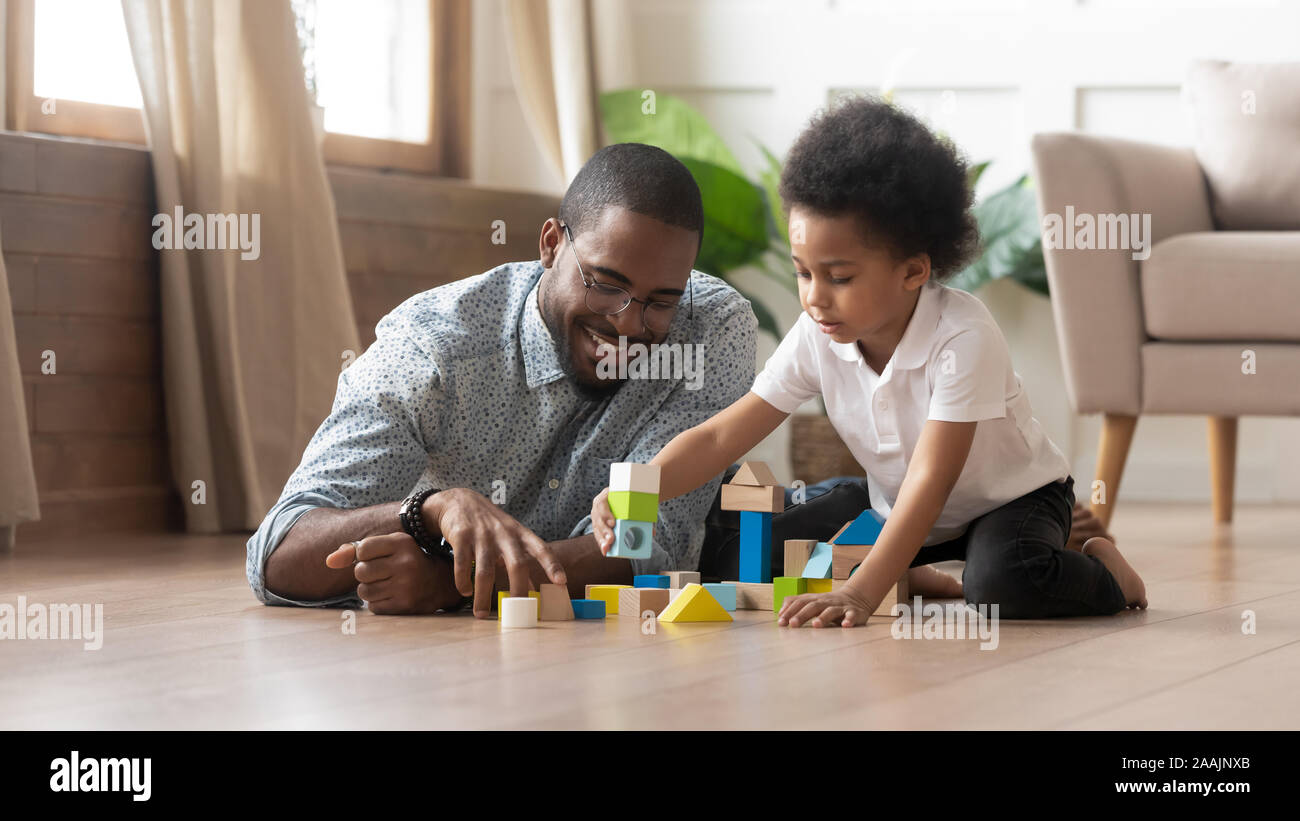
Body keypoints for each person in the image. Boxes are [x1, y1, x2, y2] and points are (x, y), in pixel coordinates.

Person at [591, 95, 1148, 628]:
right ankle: (922, 573)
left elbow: (932, 480)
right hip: (893, 504)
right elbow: (720, 439)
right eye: (803, 272)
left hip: (1006, 504)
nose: (814, 297)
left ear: (913, 271)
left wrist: (860, 591)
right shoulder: (818, 332)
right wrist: (638, 488)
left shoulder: (963, 336)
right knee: (739, 558)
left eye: (840, 277)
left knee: (1004, 585)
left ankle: (1107, 573)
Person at [246, 143, 757, 617]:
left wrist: (455, 582)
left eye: (661, 301)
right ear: (552, 244)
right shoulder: (432, 349)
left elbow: (649, 544)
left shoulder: (710, 329)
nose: (627, 323)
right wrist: (427, 513)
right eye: (605, 284)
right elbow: (277, 554)